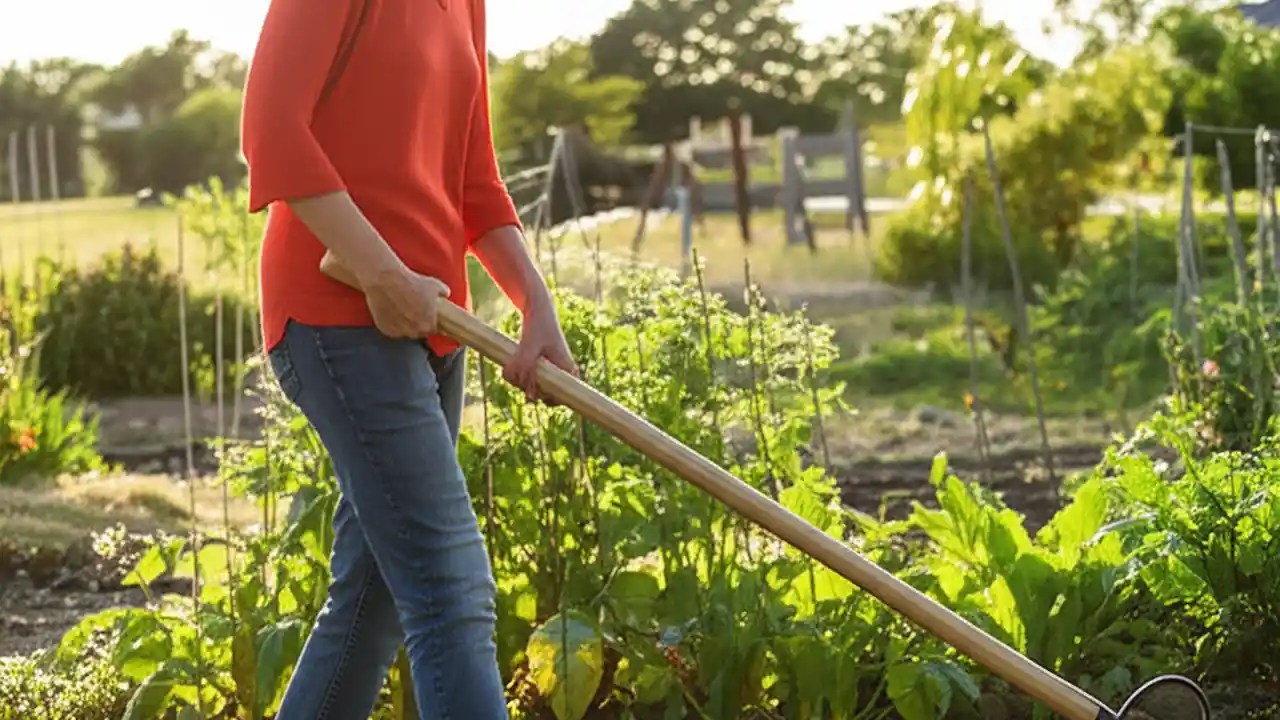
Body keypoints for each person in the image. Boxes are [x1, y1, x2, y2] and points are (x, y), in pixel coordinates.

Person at [239, 0, 577, 717]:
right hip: (338, 313)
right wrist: (382, 274)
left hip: (435, 321)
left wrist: (534, 302)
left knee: (374, 599)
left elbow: (473, 175)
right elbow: (271, 131)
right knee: (449, 589)